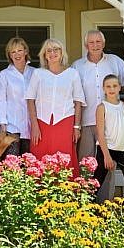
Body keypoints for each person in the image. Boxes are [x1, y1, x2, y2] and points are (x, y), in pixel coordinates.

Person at [25, 38, 85, 174]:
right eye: (49, 50)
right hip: (41, 123)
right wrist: (34, 125)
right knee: (39, 159)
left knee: (64, 159)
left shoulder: (72, 74)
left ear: (62, 52)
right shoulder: (38, 73)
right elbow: (30, 99)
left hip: (65, 122)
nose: (53, 53)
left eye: (56, 49)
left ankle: (65, 193)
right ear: (44, 55)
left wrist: (76, 127)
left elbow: (78, 101)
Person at [72, 30, 124, 162]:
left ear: (103, 44)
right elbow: (74, 97)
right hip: (87, 120)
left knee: (107, 162)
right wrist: (76, 125)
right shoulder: (77, 66)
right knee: (85, 161)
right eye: (91, 42)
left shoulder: (115, 62)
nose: (95, 45)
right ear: (86, 45)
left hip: (111, 121)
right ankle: (85, 184)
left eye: (98, 42)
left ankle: (107, 184)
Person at [95, 74, 124, 202]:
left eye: (114, 86)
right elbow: (100, 133)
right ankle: (87, 206)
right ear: (104, 89)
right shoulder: (102, 107)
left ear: (119, 88)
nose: (111, 89)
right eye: (108, 86)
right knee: (97, 180)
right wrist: (106, 156)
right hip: (107, 149)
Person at [0, 37, 35, 156]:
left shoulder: (34, 73)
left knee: (29, 165)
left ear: (26, 51)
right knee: (13, 166)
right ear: (10, 55)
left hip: (31, 128)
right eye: (13, 52)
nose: (17, 54)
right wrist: (2, 124)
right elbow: (0, 100)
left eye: (20, 50)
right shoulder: (5, 75)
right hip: (12, 127)